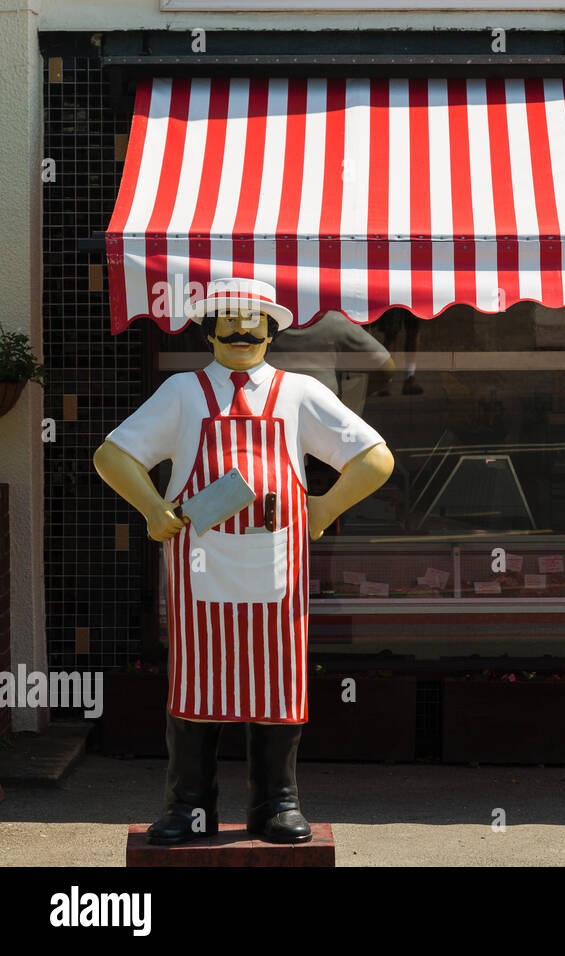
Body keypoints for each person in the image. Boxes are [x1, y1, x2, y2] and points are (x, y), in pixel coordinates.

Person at [93, 277, 395, 845]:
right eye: (228, 321)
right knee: (196, 682)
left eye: (252, 320)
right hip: (199, 567)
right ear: (208, 330)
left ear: (273, 329)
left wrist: (325, 508)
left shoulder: (300, 393)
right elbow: (113, 455)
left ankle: (277, 802)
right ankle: (187, 805)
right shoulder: (183, 393)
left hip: (277, 570)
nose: (240, 331)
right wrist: (155, 510)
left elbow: (375, 458)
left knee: (278, 683)